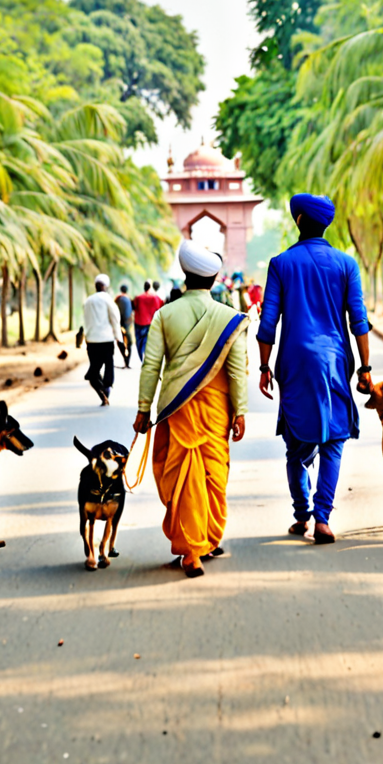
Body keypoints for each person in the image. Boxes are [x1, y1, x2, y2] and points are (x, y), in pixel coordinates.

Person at [256, 193, 371, 544]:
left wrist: (264, 366)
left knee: (296, 447)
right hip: (335, 361)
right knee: (333, 442)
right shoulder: (346, 264)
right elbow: (359, 320)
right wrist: (366, 367)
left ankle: (302, 514)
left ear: (300, 221)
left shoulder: (280, 264)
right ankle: (323, 519)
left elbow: (268, 323)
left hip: (294, 364)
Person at [135, 240, 248, 578]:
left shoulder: (164, 315)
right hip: (216, 412)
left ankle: (191, 549)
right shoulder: (229, 318)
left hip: (176, 408)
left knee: (182, 477)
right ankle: (204, 542)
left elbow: (150, 366)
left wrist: (143, 408)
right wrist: (240, 411)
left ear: (184, 276)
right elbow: (237, 370)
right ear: (214, 280)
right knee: (212, 477)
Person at [82, 274, 124, 405]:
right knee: (108, 364)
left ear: (95, 286)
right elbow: (115, 320)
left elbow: (86, 321)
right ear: (105, 286)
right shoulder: (108, 300)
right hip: (106, 340)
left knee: (94, 369)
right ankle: (106, 388)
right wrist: (119, 339)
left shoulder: (88, 301)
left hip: (92, 341)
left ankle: (101, 390)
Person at [132, 281, 164, 361]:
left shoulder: (138, 297)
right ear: (149, 287)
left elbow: (133, 307)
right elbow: (160, 307)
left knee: (138, 341)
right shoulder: (154, 297)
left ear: (144, 287)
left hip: (138, 322)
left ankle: (141, 358)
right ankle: (145, 357)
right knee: (146, 341)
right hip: (149, 323)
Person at [115, 284, 134, 369]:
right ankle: (127, 361)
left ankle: (125, 358)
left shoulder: (118, 299)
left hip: (119, 324)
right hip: (127, 324)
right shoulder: (128, 299)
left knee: (120, 342)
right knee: (129, 342)